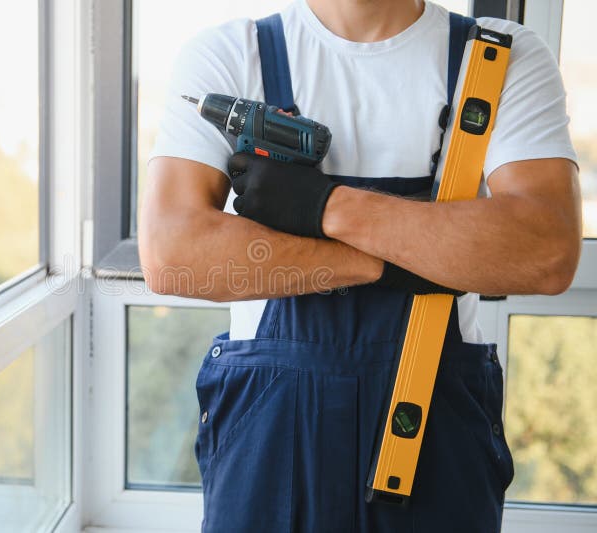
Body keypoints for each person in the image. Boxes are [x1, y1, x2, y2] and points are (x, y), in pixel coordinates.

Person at [138, 1, 582, 531]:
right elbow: (173, 257)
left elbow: (546, 252)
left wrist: (324, 206)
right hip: (268, 433)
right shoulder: (232, 54)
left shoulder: (498, 57)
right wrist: (406, 258)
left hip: (436, 429)